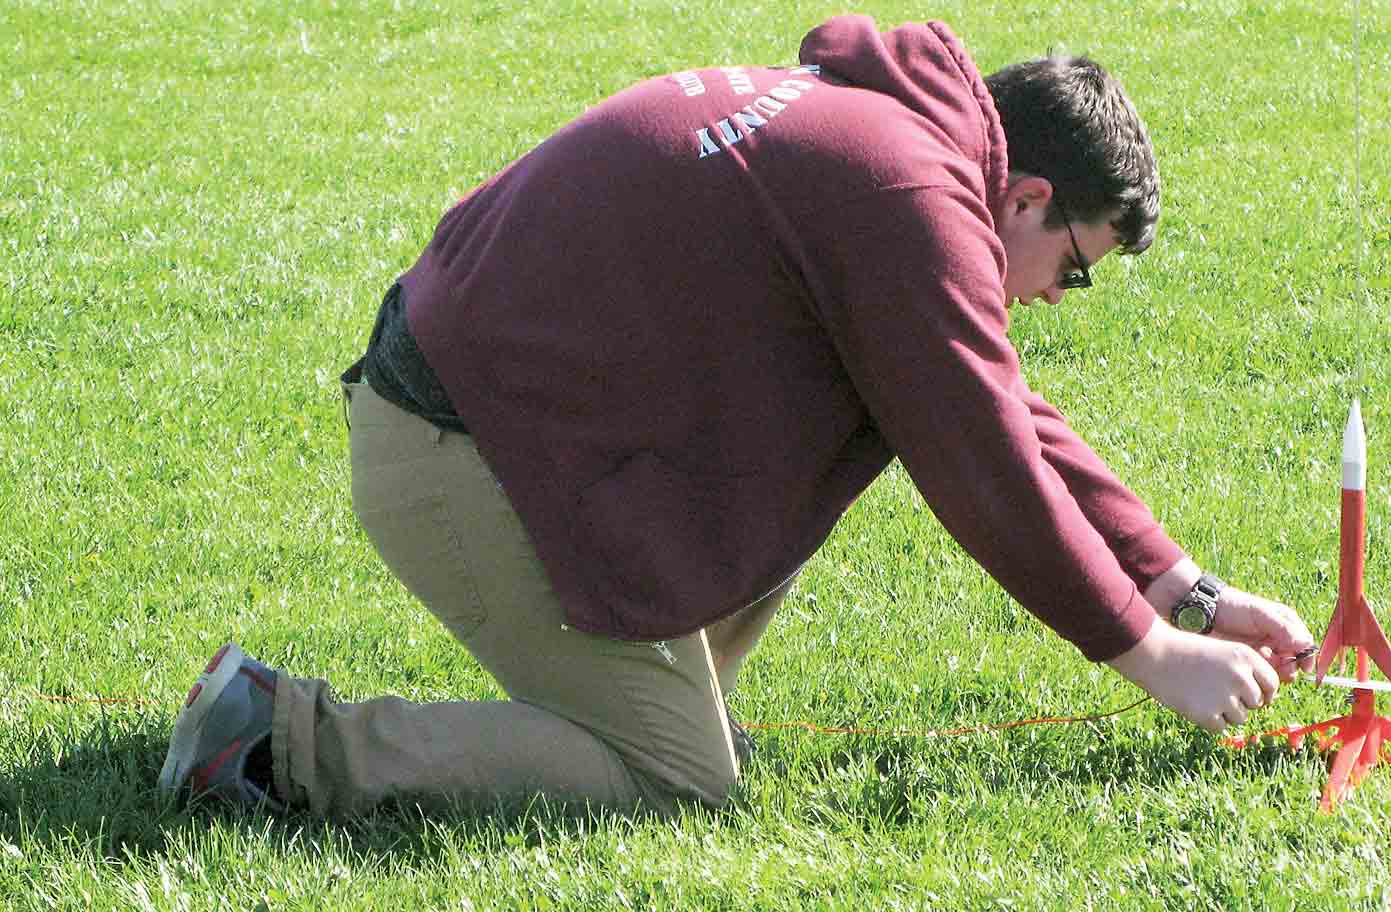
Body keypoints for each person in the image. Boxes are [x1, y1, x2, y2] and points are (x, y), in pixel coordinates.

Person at [158, 14, 1317, 819]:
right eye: (1075, 269)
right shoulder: (908, 198)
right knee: (675, 782)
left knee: (677, 719)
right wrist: (1149, 650)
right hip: (453, 443)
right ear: (1025, 195)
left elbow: (997, 405)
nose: (1056, 301)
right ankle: (273, 739)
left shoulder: (895, 149)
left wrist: (1189, 593)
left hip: (495, 418)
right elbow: (983, 460)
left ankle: (627, 704)